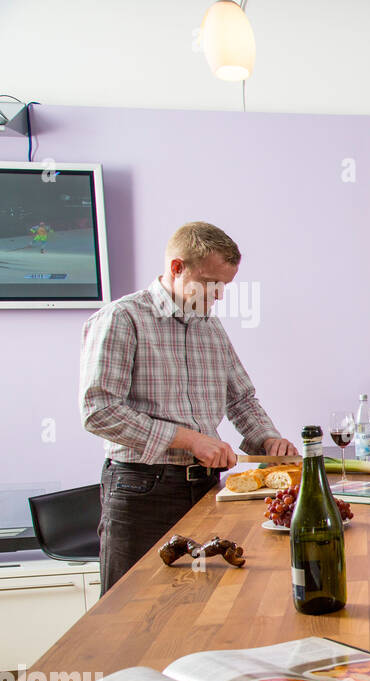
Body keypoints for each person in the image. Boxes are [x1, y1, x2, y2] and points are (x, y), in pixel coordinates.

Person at [80, 221, 297, 594]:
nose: (219, 295)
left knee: (199, 608)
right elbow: (98, 410)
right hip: (141, 491)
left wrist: (267, 439)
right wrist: (188, 439)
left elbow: (241, 399)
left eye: (225, 286)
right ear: (177, 268)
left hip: (205, 489)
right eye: (212, 283)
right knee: (128, 611)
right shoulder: (122, 318)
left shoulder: (210, 327)